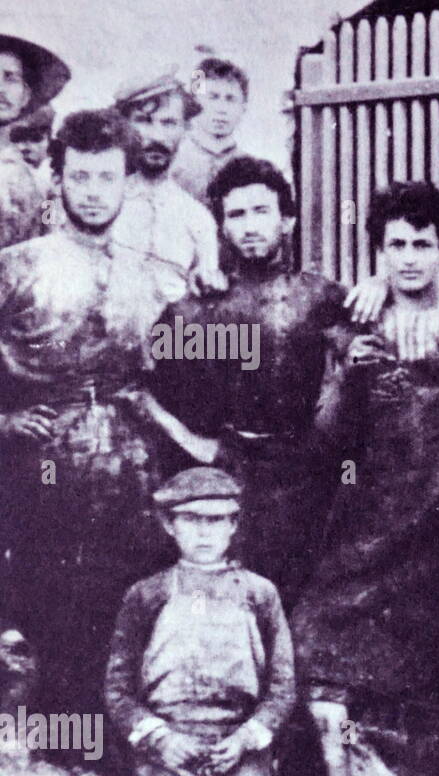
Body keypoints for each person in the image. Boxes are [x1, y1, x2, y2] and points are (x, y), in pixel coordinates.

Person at [290, 181, 439, 776]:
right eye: (396, 245)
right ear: (378, 252)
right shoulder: (355, 331)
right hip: (363, 522)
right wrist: (349, 376)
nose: (409, 258)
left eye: (423, 245)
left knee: (429, 685)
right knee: (320, 657)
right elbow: (324, 441)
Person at [0, 110, 170, 758]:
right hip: (29, 471)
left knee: (108, 608)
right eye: (81, 176)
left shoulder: (148, 278)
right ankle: (38, 748)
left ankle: (91, 751)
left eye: (107, 176)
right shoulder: (17, 267)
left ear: (127, 182)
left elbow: (176, 369)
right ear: (58, 178)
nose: (94, 190)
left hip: (122, 475)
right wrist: (5, 420)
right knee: (40, 605)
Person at [146, 157, 355, 611]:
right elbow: (153, 397)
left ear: (287, 220)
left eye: (261, 211)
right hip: (233, 481)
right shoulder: (195, 310)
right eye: (236, 215)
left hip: (313, 483)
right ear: (221, 228)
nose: (250, 226)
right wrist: (208, 449)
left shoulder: (324, 298)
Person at [103, 466, 303, 776]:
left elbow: (282, 687)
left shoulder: (260, 594)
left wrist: (245, 740)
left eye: (216, 521)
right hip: (170, 738)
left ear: (233, 525)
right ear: (169, 525)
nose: (204, 532)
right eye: (191, 520)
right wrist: (162, 738)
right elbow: (117, 689)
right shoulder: (146, 594)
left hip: (234, 741)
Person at [112, 69, 225, 304]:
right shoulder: (100, 204)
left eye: (169, 123)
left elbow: (207, 302)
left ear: (185, 129)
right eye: (144, 121)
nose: (157, 136)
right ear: (123, 126)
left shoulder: (198, 219)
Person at [0, 34, 69, 247]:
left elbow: (49, 237)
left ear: (25, 96)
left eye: (10, 78)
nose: (0, 89)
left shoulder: (43, 186)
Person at [171, 56, 249, 203]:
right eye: (213, 97)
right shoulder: (173, 163)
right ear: (194, 102)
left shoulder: (250, 168)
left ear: (243, 107)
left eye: (230, 99)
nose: (221, 109)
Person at [8, 104, 55, 198]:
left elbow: (48, 211)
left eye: (34, 139)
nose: (21, 147)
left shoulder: (57, 174)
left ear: (48, 137)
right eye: (17, 139)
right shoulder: (10, 168)